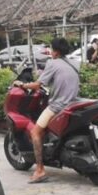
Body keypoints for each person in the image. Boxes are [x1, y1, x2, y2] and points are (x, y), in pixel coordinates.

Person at [16, 37, 80, 183]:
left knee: (35, 132)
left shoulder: (52, 63)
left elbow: (37, 85)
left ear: (55, 51)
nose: (51, 52)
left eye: (52, 49)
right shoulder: (75, 63)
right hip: (74, 104)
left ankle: (40, 170)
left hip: (58, 106)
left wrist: (22, 85)